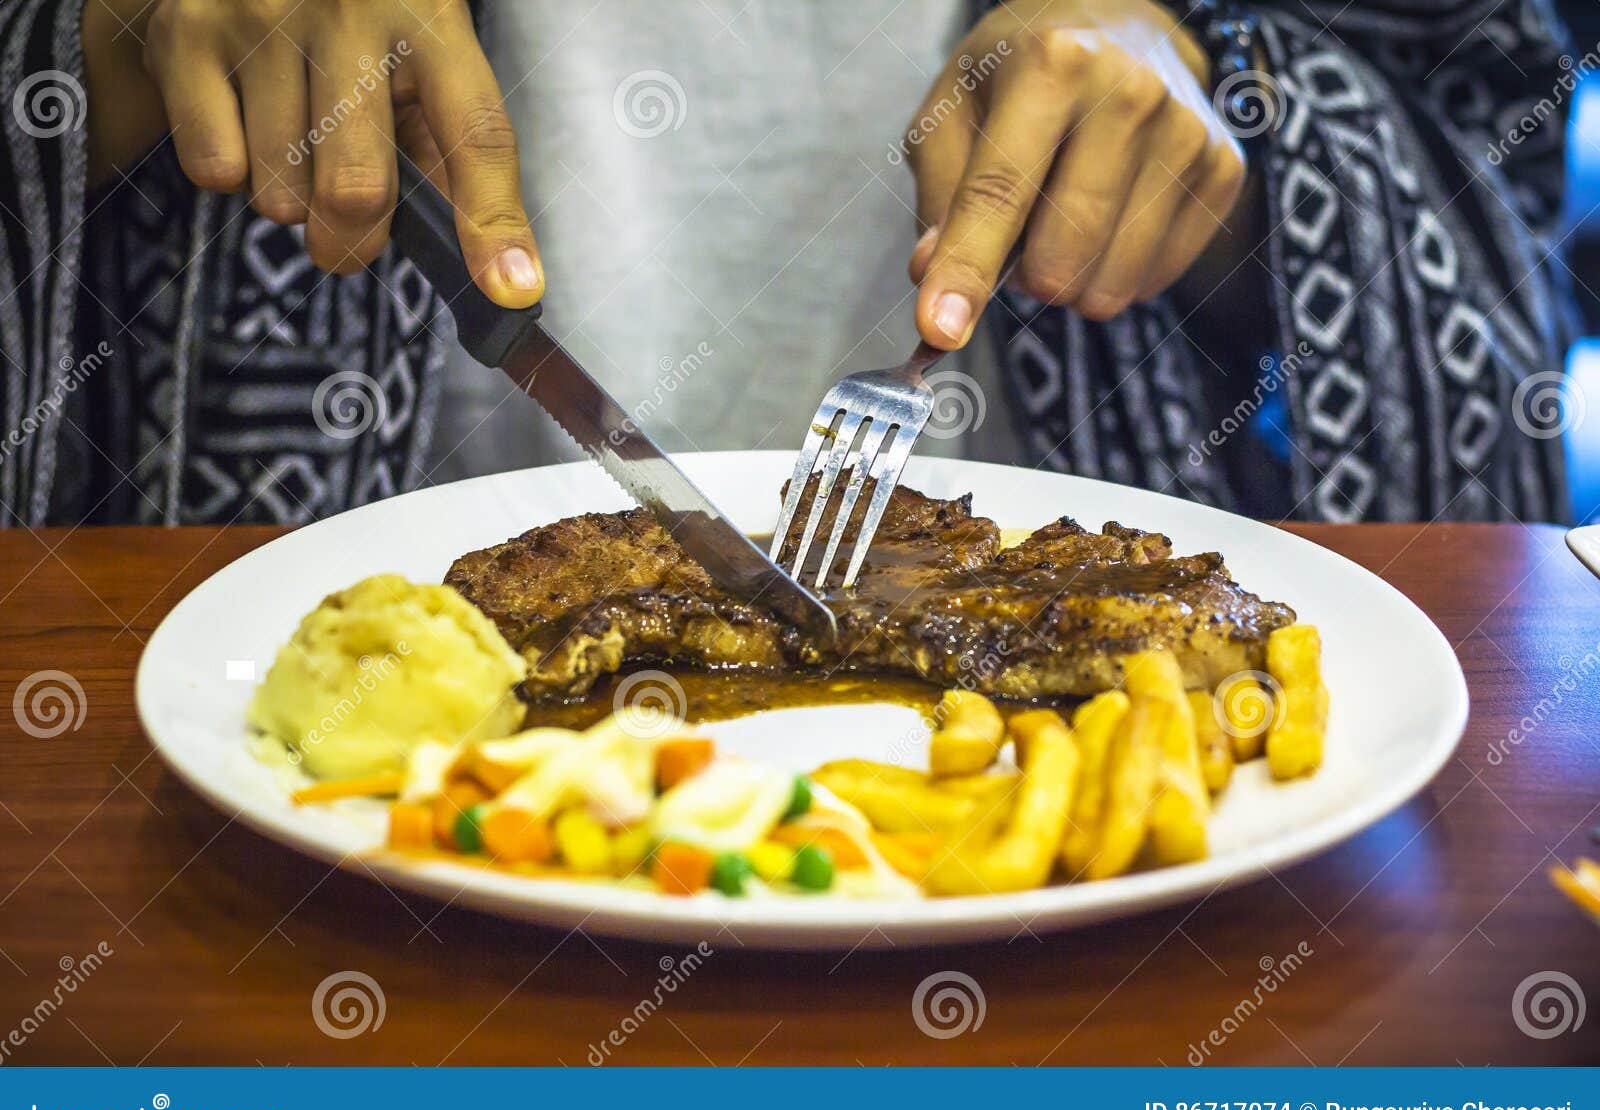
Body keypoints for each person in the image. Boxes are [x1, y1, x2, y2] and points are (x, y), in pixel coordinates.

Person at [0, 0, 1575, 527]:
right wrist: (122, 46)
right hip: (274, 791)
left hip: (1158, 929)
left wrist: (1220, 97)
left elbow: (1488, 117)